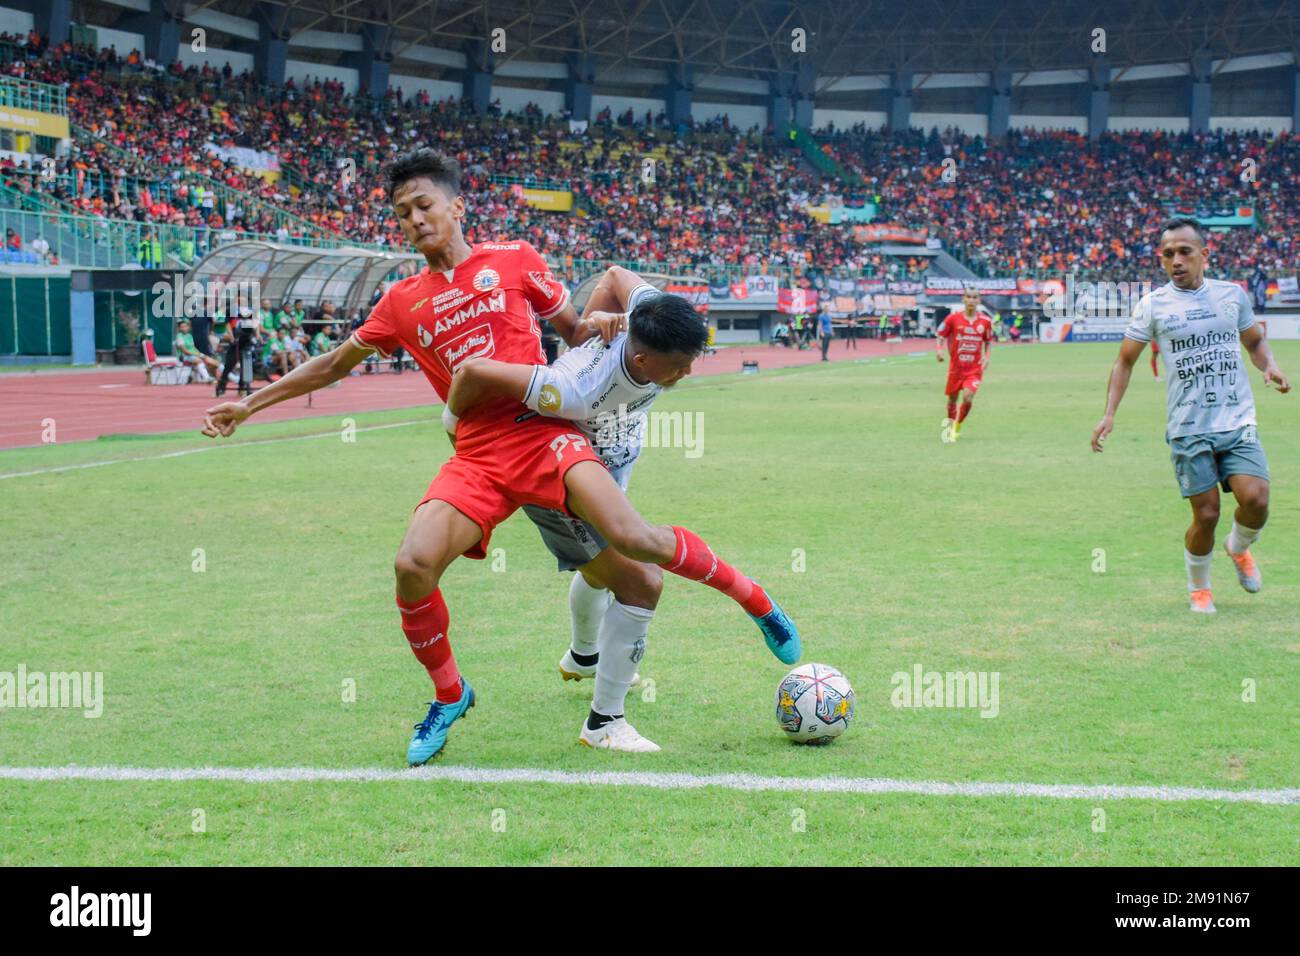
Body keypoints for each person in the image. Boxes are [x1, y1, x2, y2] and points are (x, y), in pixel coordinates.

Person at [200, 149, 800, 765]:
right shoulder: (400, 301)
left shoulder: (514, 260)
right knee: (413, 564)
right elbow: (333, 365)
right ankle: (450, 693)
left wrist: (598, 322)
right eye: (402, 212)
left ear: (457, 206)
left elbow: (572, 334)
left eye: (424, 205)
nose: (414, 219)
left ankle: (753, 602)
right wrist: (248, 405)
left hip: (544, 432)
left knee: (632, 547)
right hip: (478, 456)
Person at [446, 270, 722, 752]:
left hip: (608, 475)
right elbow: (473, 370)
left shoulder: (650, 317)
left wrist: (587, 320)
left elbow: (615, 274)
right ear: (642, 359)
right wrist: (454, 429)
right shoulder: (571, 390)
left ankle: (583, 657)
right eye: (679, 367)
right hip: (564, 485)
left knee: (600, 575)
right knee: (640, 582)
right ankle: (604, 722)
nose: (687, 374)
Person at [1091, 218, 1291, 614]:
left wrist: (1269, 365)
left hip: (1236, 421)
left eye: (1184, 251)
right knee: (1207, 513)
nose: (1176, 260)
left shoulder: (1232, 295)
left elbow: (1254, 342)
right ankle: (1200, 589)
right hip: (1188, 428)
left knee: (1258, 499)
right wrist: (1109, 414)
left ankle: (1238, 547)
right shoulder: (1153, 305)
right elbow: (1124, 362)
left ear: (1204, 254)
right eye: (1168, 254)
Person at [936, 289, 993, 443]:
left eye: (975, 298)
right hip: (955, 369)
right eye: (968, 297)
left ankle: (957, 427)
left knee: (967, 397)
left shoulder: (985, 321)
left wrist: (986, 357)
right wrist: (940, 351)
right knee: (952, 400)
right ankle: (949, 425)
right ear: (963, 299)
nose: (971, 300)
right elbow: (941, 336)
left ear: (979, 300)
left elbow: (987, 341)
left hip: (974, 369)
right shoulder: (953, 319)